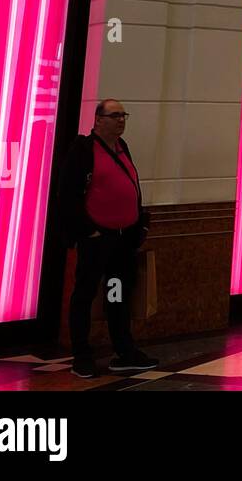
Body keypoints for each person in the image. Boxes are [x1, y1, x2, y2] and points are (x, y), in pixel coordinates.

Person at [56, 99, 157, 378]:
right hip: (97, 239)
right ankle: (81, 354)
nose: (121, 120)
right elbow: (68, 195)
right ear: (99, 120)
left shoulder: (122, 147)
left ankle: (124, 351)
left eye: (123, 115)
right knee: (85, 294)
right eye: (114, 115)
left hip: (122, 241)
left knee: (117, 293)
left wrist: (137, 225)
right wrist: (89, 230)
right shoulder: (84, 150)